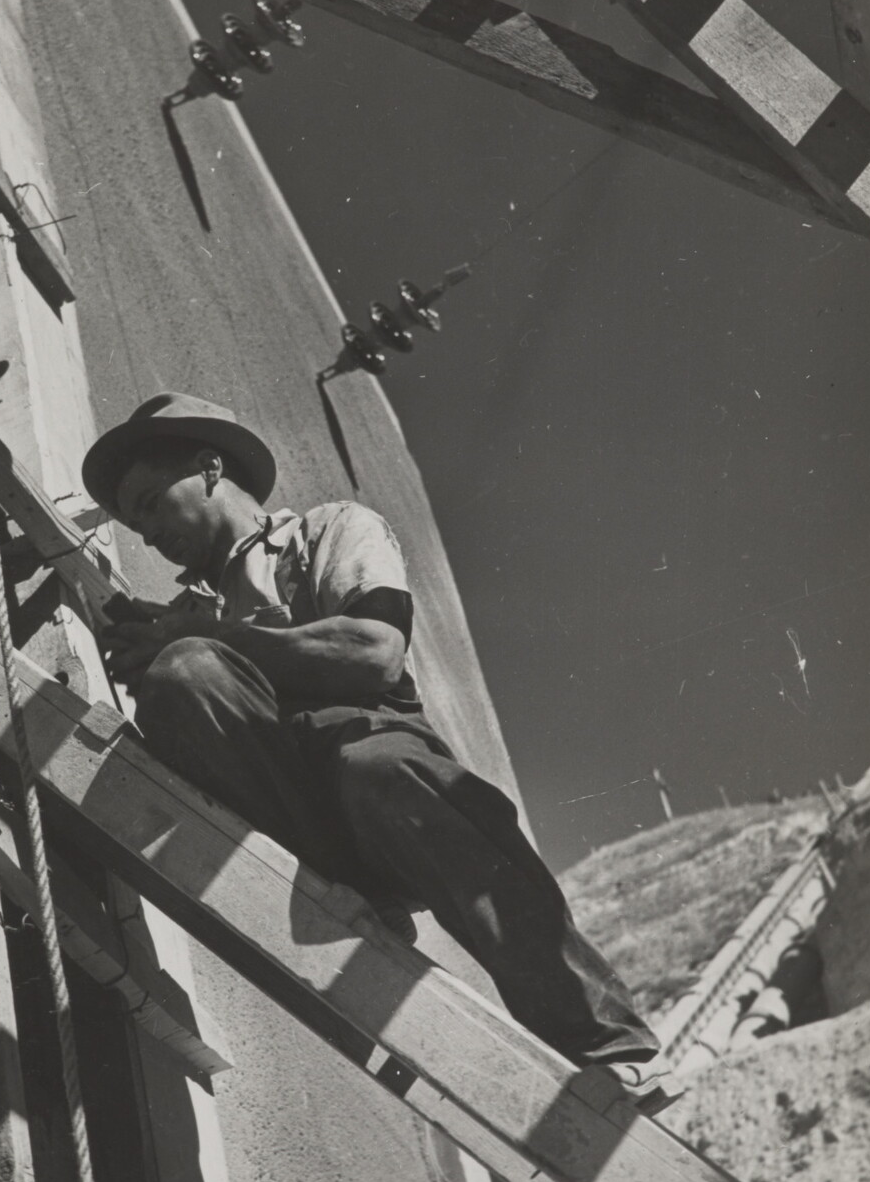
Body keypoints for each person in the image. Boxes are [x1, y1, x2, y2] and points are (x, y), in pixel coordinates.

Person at [82, 392, 681, 1113]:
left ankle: (610, 1048)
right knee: (181, 676)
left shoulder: (330, 530)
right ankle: (343, 890)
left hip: (379, 779)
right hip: (301, 821)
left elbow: (373, 651)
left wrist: (214, 637)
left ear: (210, 467)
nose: (148, 535)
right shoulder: (187, 622)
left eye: (151, 504)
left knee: (385, 772)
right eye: (135, 524)